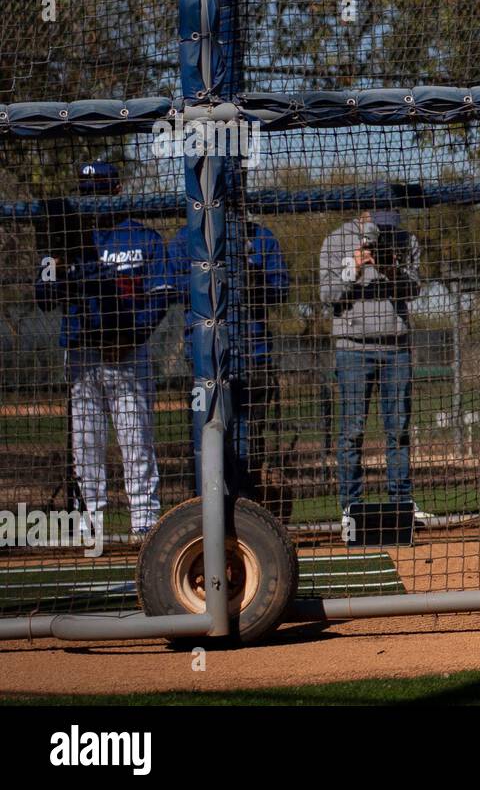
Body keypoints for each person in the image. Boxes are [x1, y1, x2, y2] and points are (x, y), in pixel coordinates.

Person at [34, 163, 168, 538]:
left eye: (100, 188)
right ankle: (90, 526)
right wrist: (58, 269)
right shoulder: (63, 239)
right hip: (82, 355)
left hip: (128, 355)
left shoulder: (143, 237)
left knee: (136, 442)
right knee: (87, 448)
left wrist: (132, 338)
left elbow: (159, 300)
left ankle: (145, 524)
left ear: (116, 189)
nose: (92, 195)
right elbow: (43, 296)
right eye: (86, 188)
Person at [164, 218, 289, 500]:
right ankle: (202, 508)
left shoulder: (259, 236)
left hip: (251, 356)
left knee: (247, 444)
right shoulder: (186, 236)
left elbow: (281, 289)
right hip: (202, 358)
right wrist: (210, 276)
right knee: (204, 437)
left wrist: (252, 277)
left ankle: (245, 509)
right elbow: (172, 288)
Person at [319, 209, 421, 515]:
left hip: (396, 347)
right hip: (352, 348)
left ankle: (402, 505)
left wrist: (393, 272)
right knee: (352, 432)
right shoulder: (336, 240)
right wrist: (354, 271)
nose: (387, 231)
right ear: (365, 214)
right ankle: (350, 508)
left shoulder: (406, 240)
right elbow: (327, 295)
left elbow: (415, 289)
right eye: (380, 225)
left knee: (399, 430)